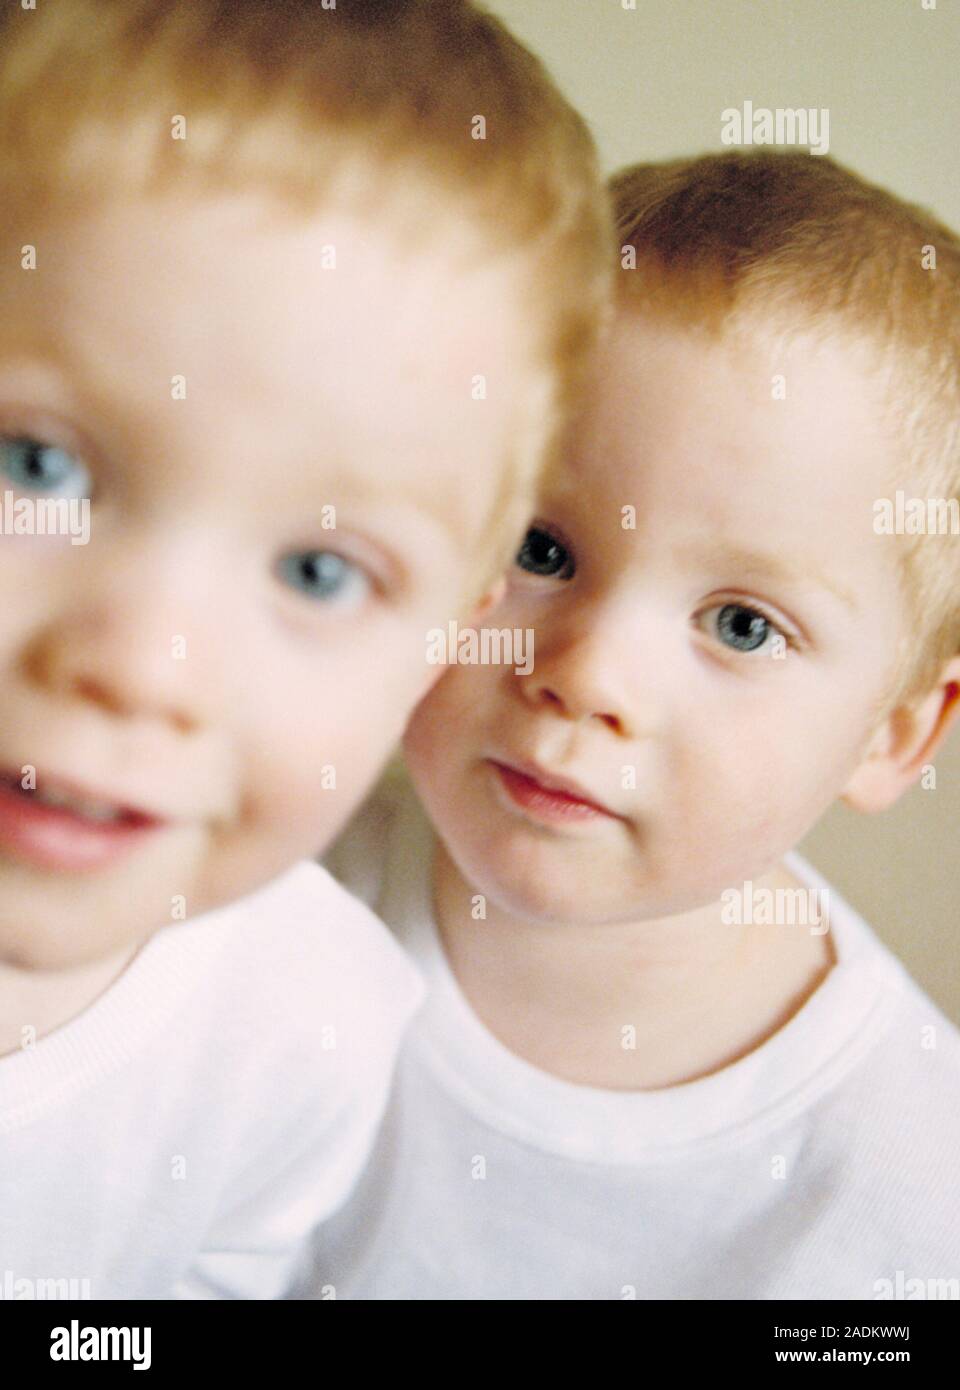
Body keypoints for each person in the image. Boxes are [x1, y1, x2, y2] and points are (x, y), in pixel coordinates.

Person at [0, 0, 610, 1299]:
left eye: (320, 572)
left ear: (446, 641)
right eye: (36, 463)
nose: (144, 665)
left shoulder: (307, 1031)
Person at [310, 151, 960, 1300]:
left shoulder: (900, 1181)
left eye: (744, 626)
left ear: (895, 736)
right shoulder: (289, 857)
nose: (588, 674)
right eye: (541, 550)